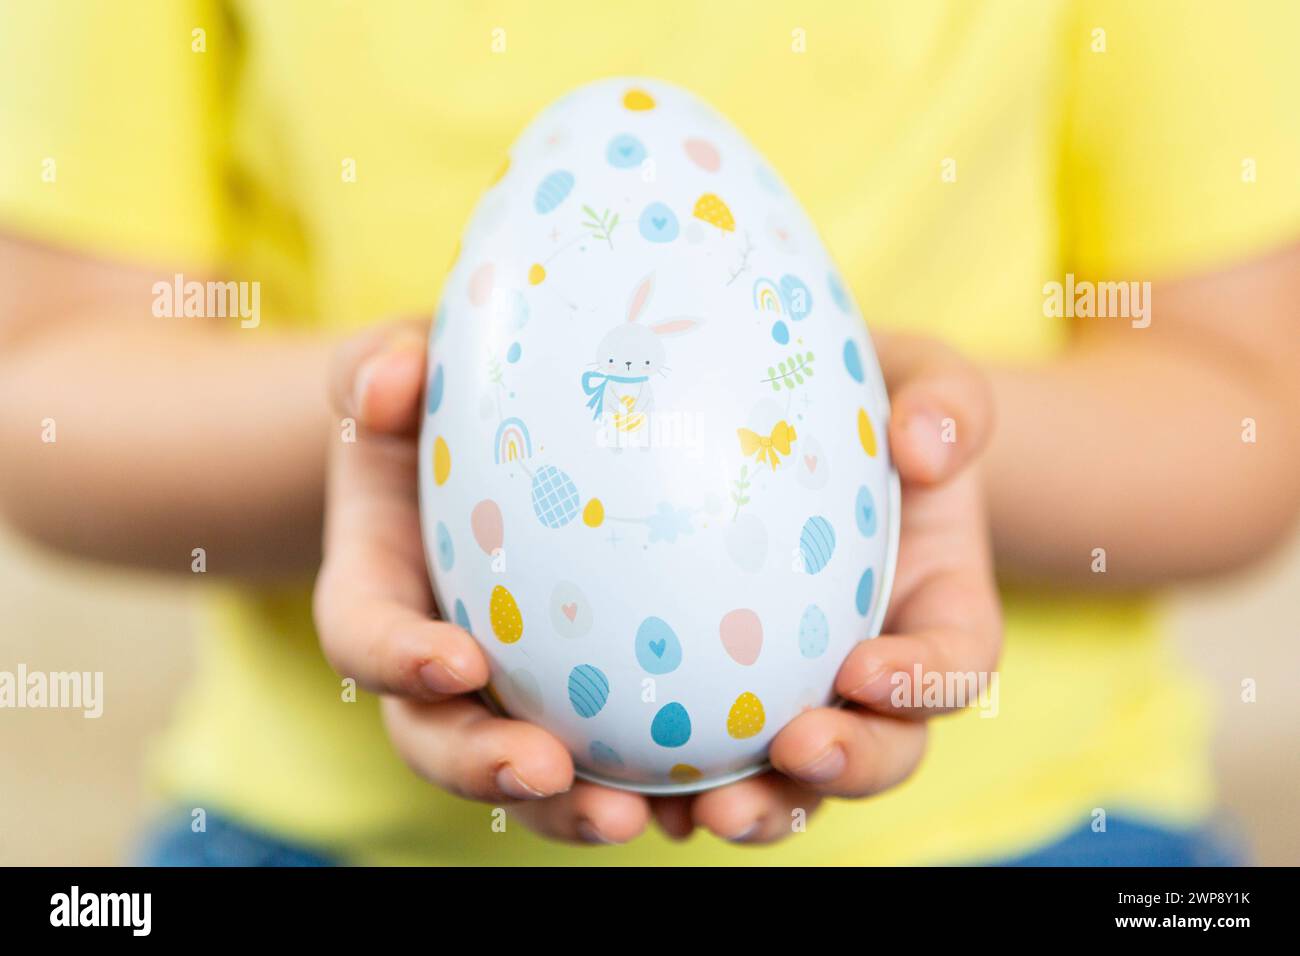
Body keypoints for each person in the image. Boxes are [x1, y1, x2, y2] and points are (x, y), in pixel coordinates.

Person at [1, 0, 1296, 866]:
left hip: (1037, 824)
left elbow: (1247, 412)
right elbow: (48, 394)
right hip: (324, 829)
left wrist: (889, 448)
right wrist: (397, 435)